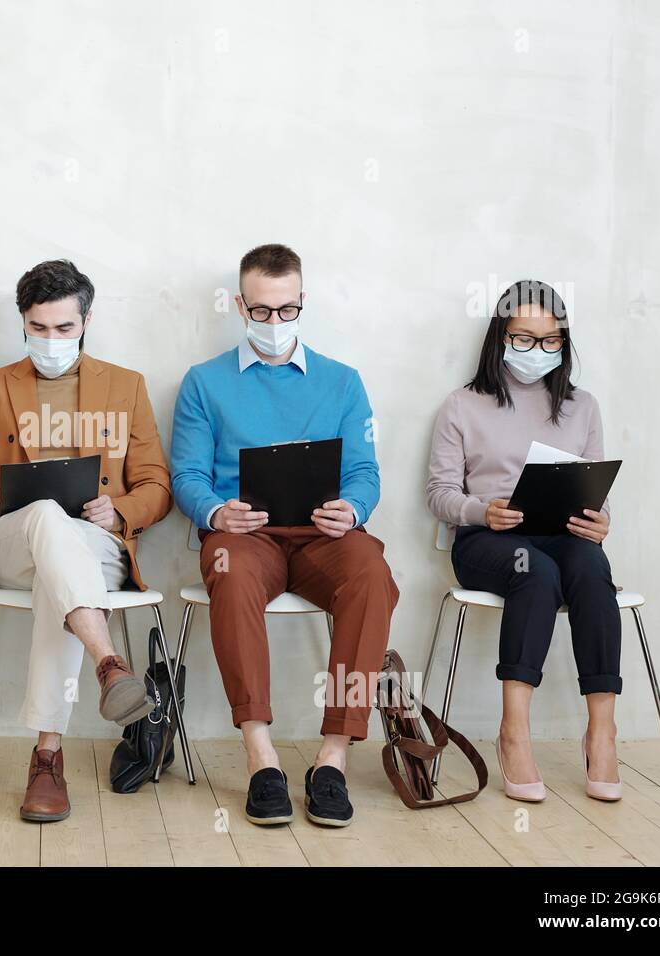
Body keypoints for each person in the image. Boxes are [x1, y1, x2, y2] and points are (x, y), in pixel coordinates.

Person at [170, 243, 399, 828]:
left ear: (303, 304)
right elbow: (188, 476)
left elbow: (365, 473)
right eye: (262, 311)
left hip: (325, 536)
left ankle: (334, 756)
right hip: (245, 538)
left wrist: (353, 508)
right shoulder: (203, 383)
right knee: (230, 571)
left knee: (373, 575)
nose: (275, 324)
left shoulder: (344, 383)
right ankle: (260, 754)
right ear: (240, 305)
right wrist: (217, 513)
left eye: (287, 311)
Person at [0, 259, 171, 822]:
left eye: (64, 329)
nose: (50, 341)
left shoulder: (126, 386)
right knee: (45, 516)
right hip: (14, 545)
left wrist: (116, 510)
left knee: (61, 576)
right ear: (22, 323)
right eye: (38, 329)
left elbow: (157, 487)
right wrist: (7, 504)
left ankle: (47, 758)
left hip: (94, 549)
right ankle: (109, 664)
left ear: (86, 321)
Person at [426, 279, 622, 803]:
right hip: (488, 540)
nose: (539, 351)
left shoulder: (582, 406)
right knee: (533, 571)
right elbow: (440, 494)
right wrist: (480, 510)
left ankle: (602, 732)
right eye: (525, 338)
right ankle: (514, 731)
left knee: (590, 567)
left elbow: (596, 489)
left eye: (551, 341)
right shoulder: (462, 404)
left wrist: (601, 519)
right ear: (500, 337)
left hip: (561, 534)